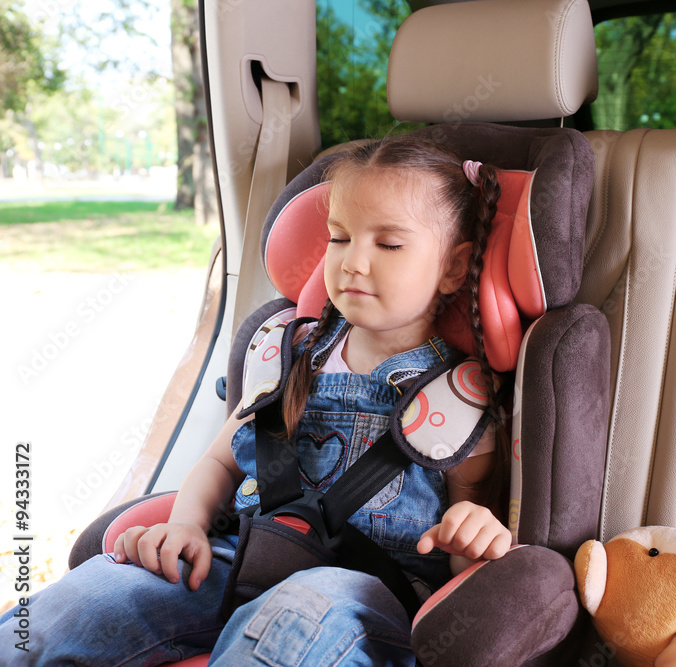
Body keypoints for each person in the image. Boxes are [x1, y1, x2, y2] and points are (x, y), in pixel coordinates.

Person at [0, 135, 512, 665]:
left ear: (453, 268)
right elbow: (222, 460)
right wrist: (188, 524)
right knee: (90, 600)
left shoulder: (458, 397)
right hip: (242, 553)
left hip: (360, 594)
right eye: (339, 238)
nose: (353, 263)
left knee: (291, 617)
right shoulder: (284, 353)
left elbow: (469, 537)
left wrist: (472, 535)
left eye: (389, 245)